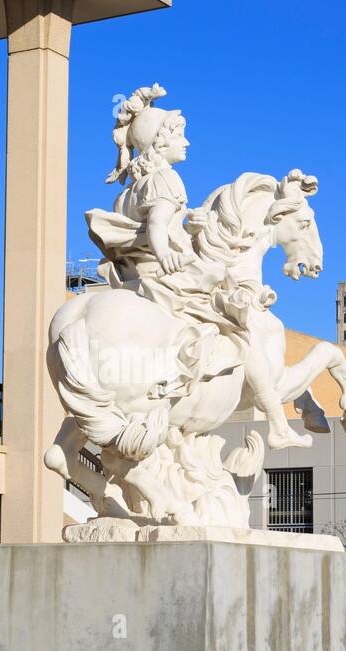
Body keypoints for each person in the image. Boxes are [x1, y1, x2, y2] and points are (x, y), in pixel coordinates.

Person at [85, 84, 311, 449]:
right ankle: (277, 423)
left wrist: (187, 228)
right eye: (180, 136)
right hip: (166, 274)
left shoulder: (128, 190)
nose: (187, 143)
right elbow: (157, 229)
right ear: (160, 143)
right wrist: (168, 253)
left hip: (132, 276)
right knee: (240, 323)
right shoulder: (165, 179)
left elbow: (151, 226)